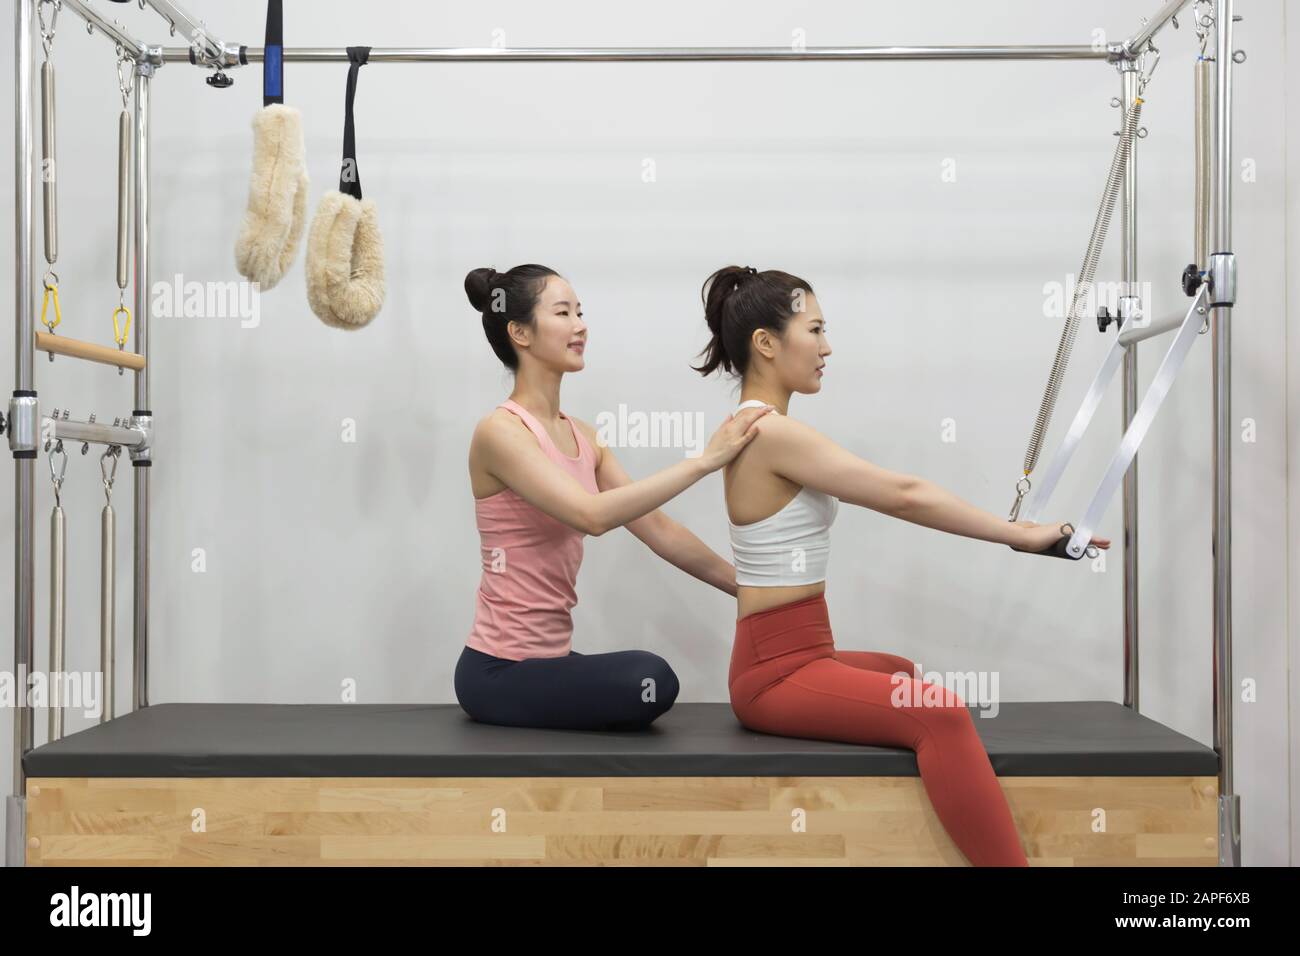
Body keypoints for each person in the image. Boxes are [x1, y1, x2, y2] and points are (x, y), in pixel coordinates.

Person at [695, 264, 1111, 866]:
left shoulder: (759, 429)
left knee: (903, 674)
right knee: (939, 714)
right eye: (814, 330)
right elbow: (903, 493)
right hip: (774, 672)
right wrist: (1014, 535)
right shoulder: (770, 434)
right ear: (766, 342)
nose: (827, 346)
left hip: (796, 651)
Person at [454, 263, 774, 732]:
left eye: (580, 312)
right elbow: (592, 516)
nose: (580, 325)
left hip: (548, 660)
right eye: (563, 312)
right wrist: (704, 461)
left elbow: (660, 530)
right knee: (651, 679)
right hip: (496, 670)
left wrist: (749, 590)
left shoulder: (584, 437)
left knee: (645, 681)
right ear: (520, 332)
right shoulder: (500, 433)